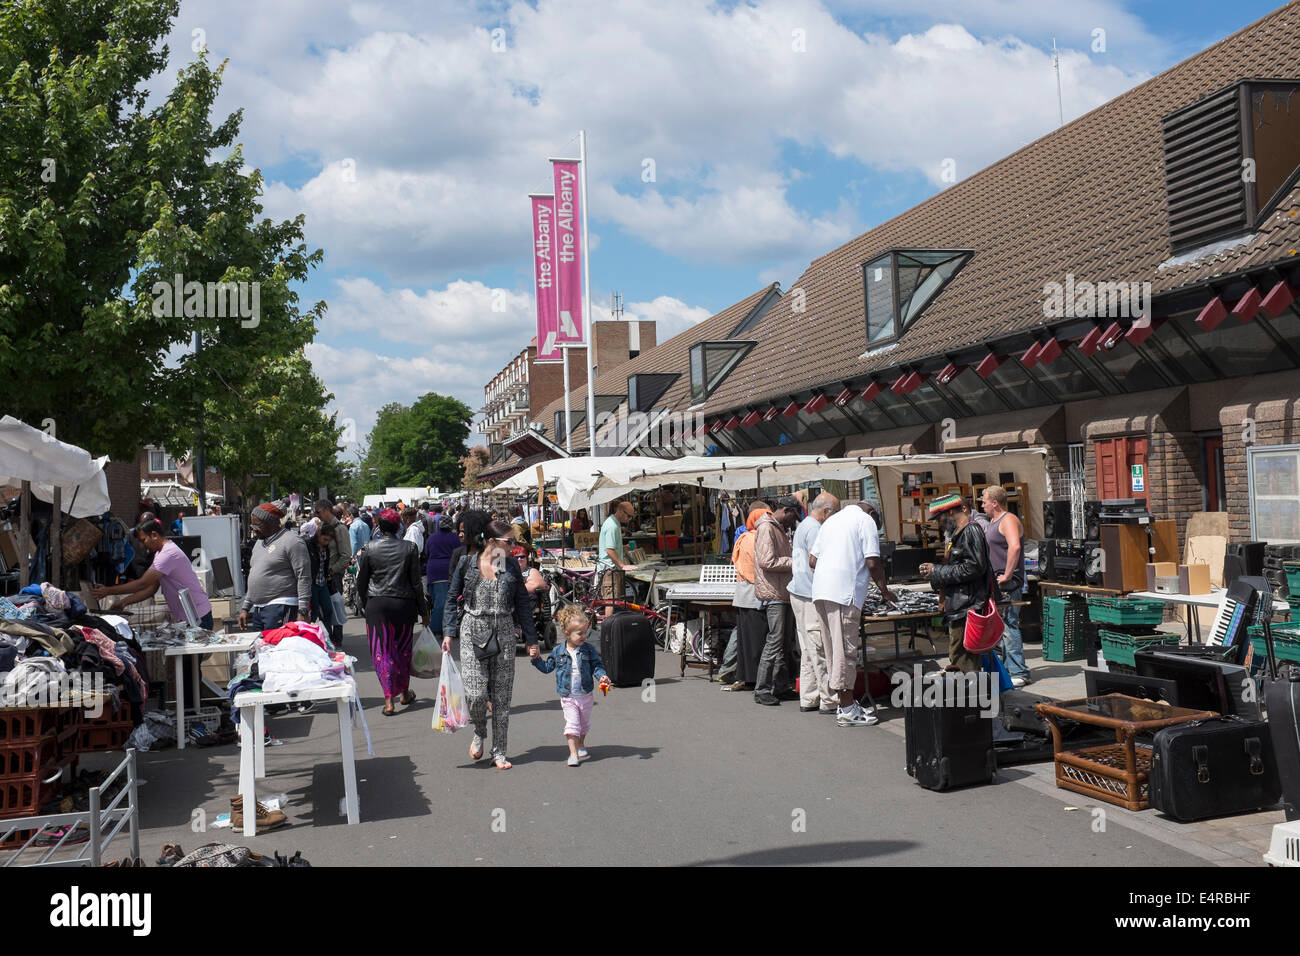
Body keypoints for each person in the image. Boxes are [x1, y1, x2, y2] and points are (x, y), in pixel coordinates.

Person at [442, 513, 539, 769]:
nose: (514, 548)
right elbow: (452, 599)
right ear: (493, 542)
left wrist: (532, 639)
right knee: (475, 694)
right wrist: (448, 632)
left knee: (501, 697)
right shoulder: (466, 563)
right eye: (509, 543)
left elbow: (521, 603)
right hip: (473, 630)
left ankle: (499, 752)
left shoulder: (509, 566)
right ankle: (480, 731)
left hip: (504, 631)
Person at [809, 501, 896, 727]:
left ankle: (844, 704)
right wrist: (885, 592)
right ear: (874, 514)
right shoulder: (864, 520)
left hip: (821, 591)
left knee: (832, 651)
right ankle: (847, 709)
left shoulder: (831, 521)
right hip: (842, 593)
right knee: (844, 651)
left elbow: (812, 560)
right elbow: (873, 562)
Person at [356, 508, 431, 715]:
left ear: (378, 527)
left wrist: (364, 603)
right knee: (402, 650)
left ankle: (389, 700)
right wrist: (424, 611)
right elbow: (416, 583)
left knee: (382, 651)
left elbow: (362, 582)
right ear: (399, 526)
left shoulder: (369, 548)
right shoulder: (410, 548)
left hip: (377, 604)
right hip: (403, 604)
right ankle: (404, 692)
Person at [92, 518, 214, 628]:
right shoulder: (160, 554)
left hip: (198, 616)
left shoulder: (167, 554)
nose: (141, 545)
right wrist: (124, 602)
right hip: (192, 615)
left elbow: (143, 583)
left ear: (154, 535)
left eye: (143, 540)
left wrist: (108, 591)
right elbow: (151, 588)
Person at [529, 604, 611, 767]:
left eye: (585, 632)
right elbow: (547, 668)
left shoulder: (588, 650)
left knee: (584, 725)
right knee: (572, 725)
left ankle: (581, 744)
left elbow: (596, 665)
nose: (583, 636)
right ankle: (573, 754)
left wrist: (602, 676)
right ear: (567, 634)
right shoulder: (558, 651)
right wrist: (536, 659)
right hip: (568, 697)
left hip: (586, 695)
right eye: (579, 633)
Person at [919, 495, 991, 675]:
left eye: (940, 518)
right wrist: (936, 573)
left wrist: (937, 571)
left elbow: (975, 567)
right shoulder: (958, 534)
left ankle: (970, 699)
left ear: (950, 512)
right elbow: (961, 567)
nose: (939, 524)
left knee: (963, 660)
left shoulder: (971, 531)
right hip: (960, 605)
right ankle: (968, 697)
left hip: (968, 606)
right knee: (959, 658)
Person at [788, 493, 839, 714]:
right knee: (818, 647)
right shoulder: (816, 529)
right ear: (826, 511)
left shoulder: (804, 525)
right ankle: (829, 699)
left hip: (798, 592)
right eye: (834, 513)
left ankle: (809, 697)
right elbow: (815, 561)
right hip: (809, 595)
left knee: (808, 649)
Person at [752, 498, 801, 706]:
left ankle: (780, 686)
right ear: (786, 510)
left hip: (781, 591)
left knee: (782, 643)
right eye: (793, 517)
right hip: (774, 594)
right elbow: (767, 561)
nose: (794, 521)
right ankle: (762, 689)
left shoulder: (776, 527)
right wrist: (796, 561)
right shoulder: (766, 528)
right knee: (774, 642)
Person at [980, 486, 1028, 685]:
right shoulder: (992, 522)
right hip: (996, 581)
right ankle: (1008, 669)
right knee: (1001, 626)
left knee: (1009, 624)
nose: (981, 505)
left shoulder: (1008, 520)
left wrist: (1007, 574)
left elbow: (1015, 546)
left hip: (1008, 583)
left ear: (995, 502)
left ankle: (1019, 673)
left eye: (984, 501)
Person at [238, 501, 311, 631]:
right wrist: (245, 608)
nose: (253, 528)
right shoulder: (259, 543)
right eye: (252, 524)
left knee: (277, 648)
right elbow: (255, 576)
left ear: (271, 523)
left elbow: (303, 577)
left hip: (281, 606)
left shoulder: (292, 541)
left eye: (257, 524)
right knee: (261, 649)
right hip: (259, 609)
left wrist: (303, 610)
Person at [724, 504, 769, 693]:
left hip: (743, 594)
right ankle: (754, 678)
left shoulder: (743, 538)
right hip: (753, 594)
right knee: (756, 641)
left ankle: (745, 676)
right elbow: (759, 567)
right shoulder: (756, 538)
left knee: (745, 641)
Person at [312, 499, 351, 645]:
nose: (316, 515)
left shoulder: (340, 529)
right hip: (321, 575)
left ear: (326, 510)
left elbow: (346, 555)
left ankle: (337, 641)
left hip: (333, 576)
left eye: (318, 512)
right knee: (324, 612)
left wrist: (332, 570)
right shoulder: (321, 526)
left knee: (336, 609)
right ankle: (327, 639)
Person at [425, 514, 460, 641]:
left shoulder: (431, 538)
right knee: (444, 602)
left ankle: (439, 627)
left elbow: (426, 553)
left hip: (434, 571)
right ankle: (436, 628)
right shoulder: (455, 538)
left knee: (437, 601)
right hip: (448, 571)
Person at [596, 501, 637, 605]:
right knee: (611, 602)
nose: (629, 519)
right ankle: (609, 621)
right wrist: (622, 565)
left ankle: (613, 620)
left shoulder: (614, 523)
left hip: (612, 569)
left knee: (615, 601)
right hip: (609, 570)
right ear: (621, 512)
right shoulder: (612, 526)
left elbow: (612, 547)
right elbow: (609, 550)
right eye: (629, 516)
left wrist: (623, 548)